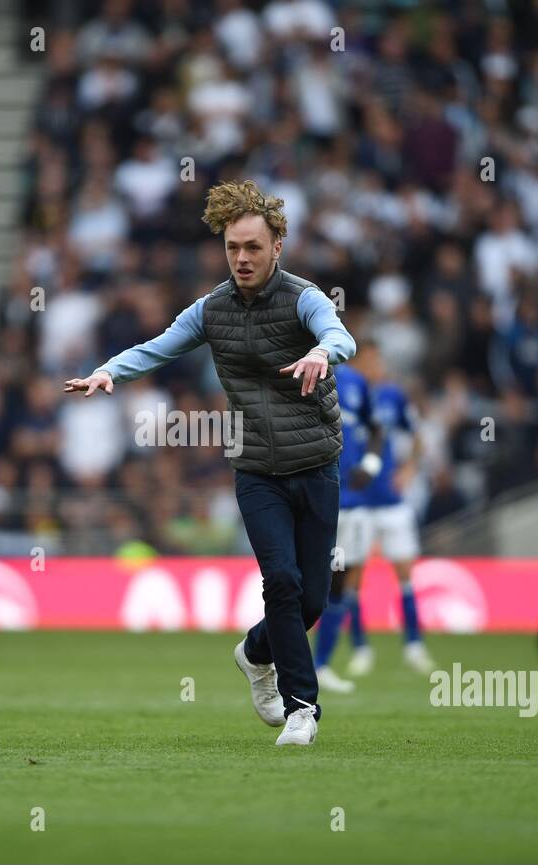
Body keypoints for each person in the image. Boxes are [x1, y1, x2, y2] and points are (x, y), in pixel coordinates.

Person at [64, 180, 355, 745]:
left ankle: (254, 652)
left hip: (317, 466)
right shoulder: (211, 309)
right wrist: (109, 371)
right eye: (231, 248)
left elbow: (340, 335)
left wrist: (320, 351)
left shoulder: (305, 298)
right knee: (284, 583)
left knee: (314, 597)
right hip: (256, 471)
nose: (241, 258)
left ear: (277, 246)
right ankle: (303, 709)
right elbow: (158, 345)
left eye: (252, 247)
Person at [314, 341, 435, 692]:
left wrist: (408, 469)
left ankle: (412, 645)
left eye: (377, 358)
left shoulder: (385, 395)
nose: (375, 364)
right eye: (369, 358)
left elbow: (407, 435)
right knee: (337, 581)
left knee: (357, 576)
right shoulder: (333, 380)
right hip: (342, 498)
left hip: (378, 502)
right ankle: (357, 648)